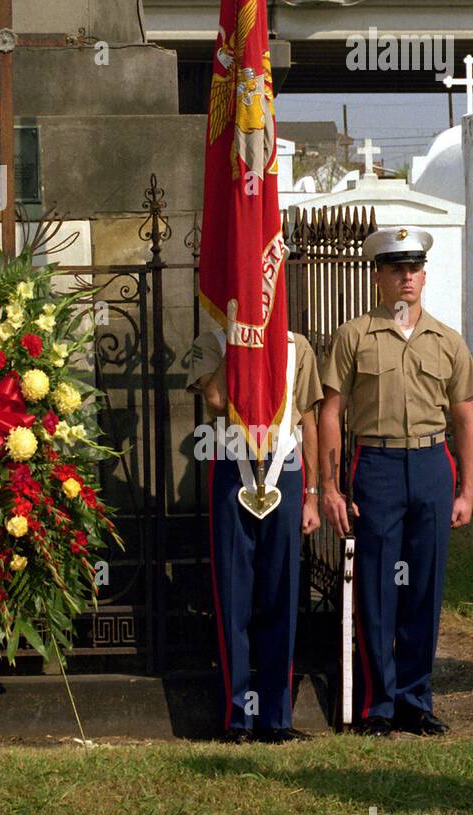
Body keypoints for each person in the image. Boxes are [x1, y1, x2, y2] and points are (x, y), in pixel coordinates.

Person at [319, 226, 473, 737]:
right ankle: (377, 704)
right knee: (376, 584)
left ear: (425, 275)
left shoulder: (449, 342)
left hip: (431, 464)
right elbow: (331, 413)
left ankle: (415, 699)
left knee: (424, 586)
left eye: (413, 268)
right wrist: (331, 487)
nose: (405, 277)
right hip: (377, 466)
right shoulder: (354, 335)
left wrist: (467, 488)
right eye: (395, 268)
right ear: (379, 277)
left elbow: (465, 416)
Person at [188, 326, 322, 742]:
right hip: (233, 467)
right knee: (235, 596)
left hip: (286, 468)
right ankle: (238, 717)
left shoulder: (296, 345)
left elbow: (308, 419)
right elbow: (216, 400)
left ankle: (277, 717)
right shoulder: (212, 338)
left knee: (281, 594)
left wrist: (314, 494)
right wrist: (238, 340)